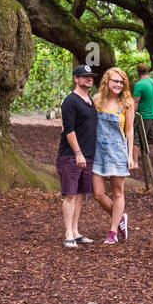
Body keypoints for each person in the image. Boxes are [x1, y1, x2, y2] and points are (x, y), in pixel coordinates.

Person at [91, 66, 137, 244]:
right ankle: (120, 218)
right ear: (106, 82)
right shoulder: (96, 100)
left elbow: (130, 130)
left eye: (121, 82)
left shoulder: (127, 104)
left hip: (118, 152)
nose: (118, 84)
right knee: (98, 194)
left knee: (118, 193)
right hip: (98, 151)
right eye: (115, 81)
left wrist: (130, 156)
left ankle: (112, 232)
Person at [57, 65, 98, 248]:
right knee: (70, 195)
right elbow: (69, 130)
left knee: (81, 195)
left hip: (89, 156)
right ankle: (68, 234)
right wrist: (78, 153)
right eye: (84, 77)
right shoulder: (70, 101)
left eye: (90, 77)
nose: (89, 79)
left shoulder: (90, 100)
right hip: (71, 156)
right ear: (76, 79)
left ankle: (75, 231)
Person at [132, 64, 153, 172]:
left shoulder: (139, 85)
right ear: (147, 71)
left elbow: (135, 102)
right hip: (152, 116)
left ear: (138, 72)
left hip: (141, 116)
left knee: (135, 140)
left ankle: (135, 163)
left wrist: (132, 115)